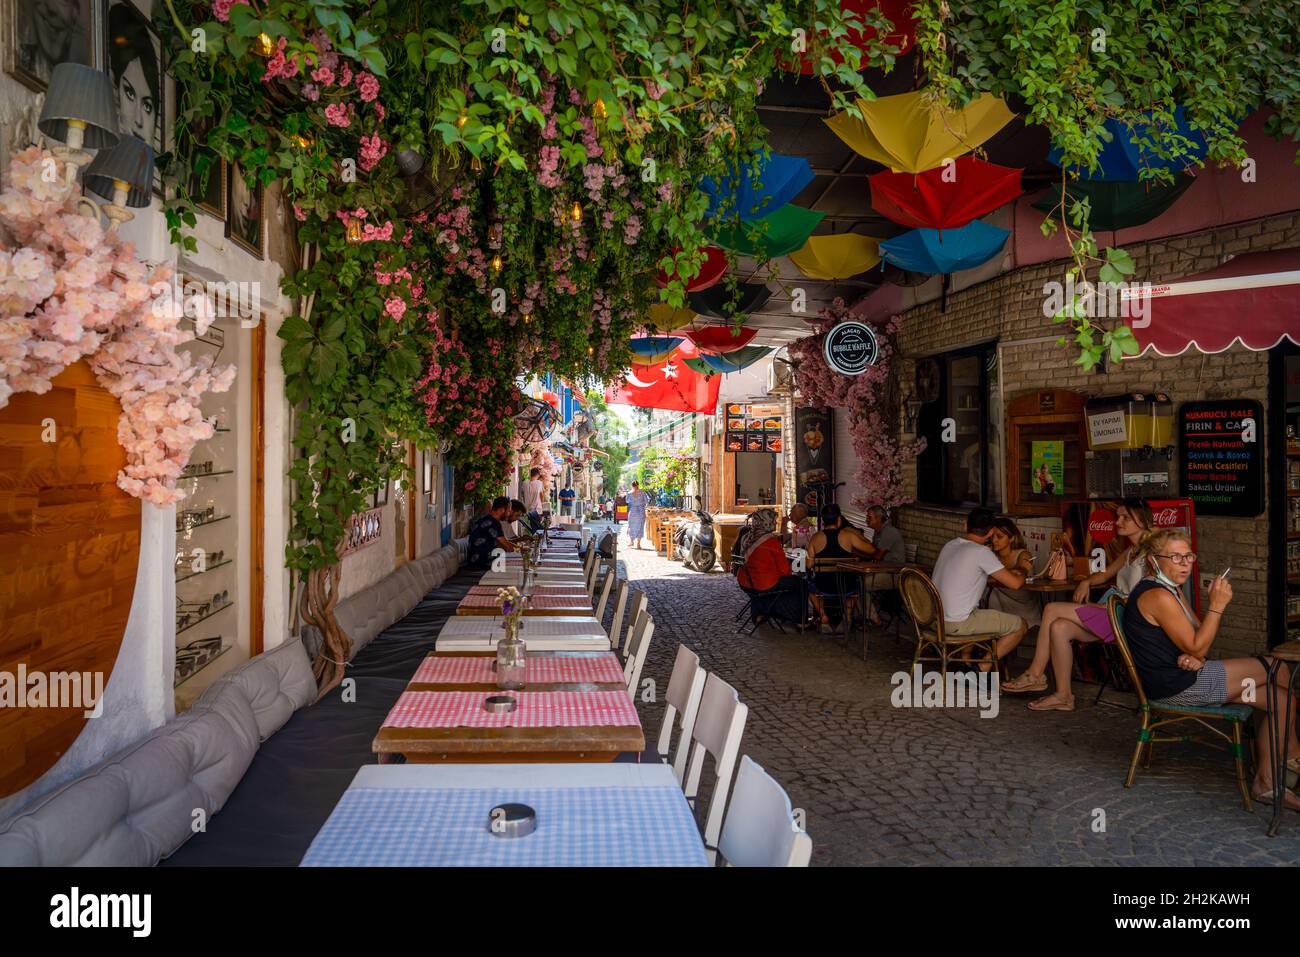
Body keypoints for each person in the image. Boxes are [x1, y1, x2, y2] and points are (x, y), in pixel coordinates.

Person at [1124, 529, 1300, 808]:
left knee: (1282, 699)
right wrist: (1216, 607)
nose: (1185, 563)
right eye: (1176, 557)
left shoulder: (1171, 588)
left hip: (1191, 674)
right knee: (1276, 668)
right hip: (1179, 686)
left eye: (1188, 556)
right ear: (1154, 560)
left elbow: (1195, 638)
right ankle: (1290, 757)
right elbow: (1198, 644)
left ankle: (1266, 780)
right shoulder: (1157, 595)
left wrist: (1197, 657)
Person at [1004, 499, 1154, 707]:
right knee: (1059, 628)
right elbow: (1104, 575)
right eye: (1117, 516)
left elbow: (1151, 592)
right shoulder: (1131, 551)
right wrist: (1086, 582)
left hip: (1125, 616)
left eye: (1125, 518)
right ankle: (1064, 696)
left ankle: (1035, 673)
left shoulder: (1153, 552)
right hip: (1111, 610)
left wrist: (1112, 603)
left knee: (1051, 608)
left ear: (1143, 520)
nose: (1118, 522)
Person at [931, 507, 1028, 669]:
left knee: (975, 612)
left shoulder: (950, 545)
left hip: (934, 620)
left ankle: (965, 662)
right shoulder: (982, 553)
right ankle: (981, 668)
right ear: (990, 533)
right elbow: (1016, 584)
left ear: (965, 525)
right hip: (956, 623)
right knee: (1020, 625)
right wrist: (1024, 568)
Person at [806, 504, 875, 634]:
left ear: (822, 521)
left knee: (808, 586)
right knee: (858, 584)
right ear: (839, 519)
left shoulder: (815, 538)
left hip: (823, 586)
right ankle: (848, 614)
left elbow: (809, 565)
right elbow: (871, 550)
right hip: (846, 586)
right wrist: (856, 535)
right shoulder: (848, 536)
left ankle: (823, 616)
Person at [736, 509, 811, 629]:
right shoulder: (771, 541)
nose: (775, 523)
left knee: (762, 590)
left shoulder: (747, 537)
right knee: (801, 584)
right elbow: (785, 571)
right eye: (774, 521)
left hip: (745, 581)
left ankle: (760, 614)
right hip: (763, 584)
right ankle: (800, 621)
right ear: (767, 522)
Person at [986, 517, 1041, 630]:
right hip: (1000, 607)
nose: (994, 540)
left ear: (1011, 539)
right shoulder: (990, 556)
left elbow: (1021, 571)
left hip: (1023, 608)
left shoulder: (1023, 555)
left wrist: (995, 576)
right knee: (991, 594)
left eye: (999, 537)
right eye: (992, 537)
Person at [859, 504, 907, 625]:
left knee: (860, 585)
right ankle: (866, 615)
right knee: (855, 581)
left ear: (879, 518)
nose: (866, 520)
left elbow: (876, 555)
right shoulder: (878, 532)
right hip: (883, 570)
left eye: (869, 517)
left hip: (895, 574)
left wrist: (856, 550)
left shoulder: (889, 531)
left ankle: (874, 618)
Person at [465, 497, 516, 570]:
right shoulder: (493, 523)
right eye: (508, 511)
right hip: (481, 564)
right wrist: (520, 550)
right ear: (501, 510)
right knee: (513, 569)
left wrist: (518, 548)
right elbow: (507, 545)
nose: (508, 514)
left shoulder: (484, 518)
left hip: (477, 562)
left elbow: (503, 543)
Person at [626, 480, 649, 549]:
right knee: (640, 527)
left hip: (632, 512)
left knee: (631, 526)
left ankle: (631, 541)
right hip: (641, 512)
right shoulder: (642, 492)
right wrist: (643, 505)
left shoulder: (629, 493)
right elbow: (647, 501)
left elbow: (627, 501)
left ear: (632, 486)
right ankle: (638, 544)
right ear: (638, 485)